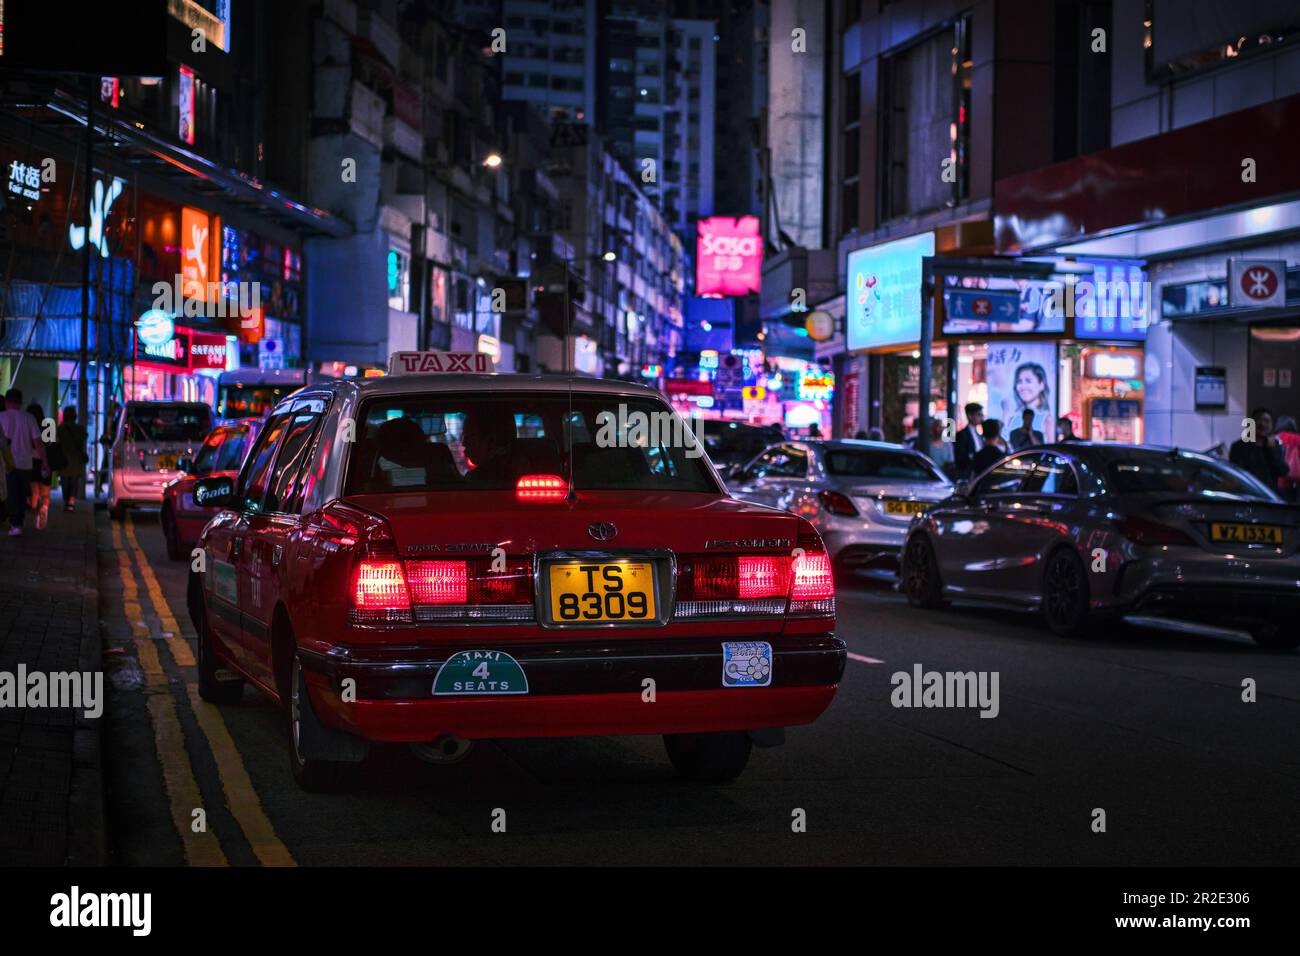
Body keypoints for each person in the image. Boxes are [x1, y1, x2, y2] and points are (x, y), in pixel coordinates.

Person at [0, 388, 45, 536]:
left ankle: (16, 523)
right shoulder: (29, 418)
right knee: (21, 493)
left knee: (10, 493)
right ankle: (18, 521)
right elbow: (38, 442)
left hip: (6, 463)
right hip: (25, 462)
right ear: (20, 402)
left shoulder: (1, 417)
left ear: (7, 402)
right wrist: (45, 461)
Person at [1229, 407, 1288, 492]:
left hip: (1269, 496)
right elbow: (1236, 474)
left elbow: (1283, 472)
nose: (1262, 424)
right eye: (1258, 420)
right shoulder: (1239, 446)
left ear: (1271, 426)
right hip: (1247, 495)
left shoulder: (1276, 446)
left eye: (1267, 421)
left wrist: (1271, 450)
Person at [26, 403, 54, 531]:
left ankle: (35, 513)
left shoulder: (27, 425)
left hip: (30, 461)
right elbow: (50, 445)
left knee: (34, 491)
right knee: (45, 491)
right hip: (46, 461)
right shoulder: (49, 424)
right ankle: (44, 508)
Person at [56, 406, 88, 511]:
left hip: (63, 459)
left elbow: (56, 442)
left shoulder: (60, 429)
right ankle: (71, 503)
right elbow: (85, 437)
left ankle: (65, 502)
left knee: (65, 482)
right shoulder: (80, 428)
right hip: (76, 459)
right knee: (74, 482)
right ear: (75, 416)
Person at [953, 402, 985, 477]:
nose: (982, 417)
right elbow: (960, 458)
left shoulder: (979, 434)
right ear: (970, 416)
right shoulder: (961, 435)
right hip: (968, 473)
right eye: (979, 414)